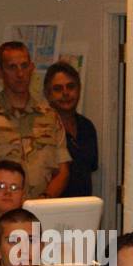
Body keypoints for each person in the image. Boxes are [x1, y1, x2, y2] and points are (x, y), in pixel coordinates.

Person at [0, 42, 70, 199]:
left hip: (40, 212)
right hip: (2, 215)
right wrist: (7, 201)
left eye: (24, 66)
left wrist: (45, 200)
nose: (20, 74)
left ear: (32, 68)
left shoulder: (50, 117)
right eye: (12, 67)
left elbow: (62, 171)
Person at [43, 61, 98, 198]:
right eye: (58, 89)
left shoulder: (87, 127)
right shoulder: (41, 130)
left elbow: (89, 170)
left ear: (79, 90)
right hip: (46, 211)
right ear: (47, 94)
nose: (65, 93)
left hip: (80, 210)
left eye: (70, 87)